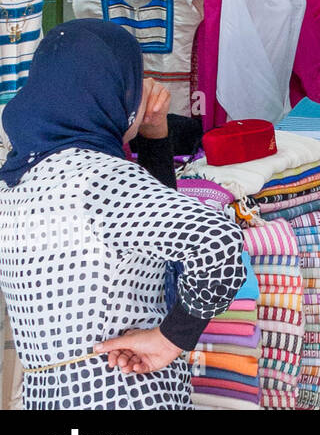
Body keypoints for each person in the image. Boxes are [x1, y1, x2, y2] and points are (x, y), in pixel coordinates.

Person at [0, 20, 244, 409]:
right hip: (123, 394)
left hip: (50, 399)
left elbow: (152, 242)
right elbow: (219, 245)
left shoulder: (16, 182)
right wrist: (171, 339)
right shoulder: (98, 179)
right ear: (109, 92)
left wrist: (154, 135)